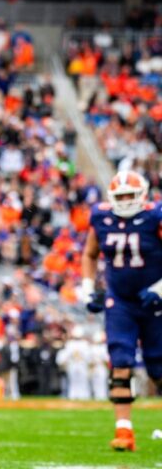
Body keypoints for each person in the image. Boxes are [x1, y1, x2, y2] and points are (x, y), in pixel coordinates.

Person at [82, 170, 162, 452]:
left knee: (158, 367)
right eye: (121, 196)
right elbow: (90, 254)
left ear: (143, 196)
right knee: (120, 360)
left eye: (131, 195)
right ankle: (124, 431)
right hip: (121, 301)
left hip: (155, 300)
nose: (126, 201)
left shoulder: (155, 217)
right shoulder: (102, 217)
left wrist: (160, 289)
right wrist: (87, 287)